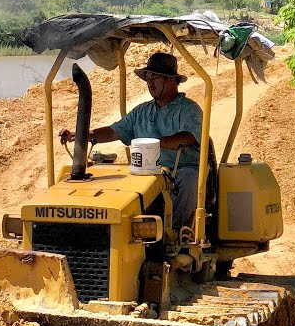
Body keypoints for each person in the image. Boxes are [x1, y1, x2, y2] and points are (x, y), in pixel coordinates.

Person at [60, 51, 207, 229]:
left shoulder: (189, 110)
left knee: (190, 178)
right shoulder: (142, 111)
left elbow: (189, 137)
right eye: (147, 77)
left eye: (155, 77)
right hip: (144, 172)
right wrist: (80, 135)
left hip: (179, 172)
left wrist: (153, 145)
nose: (149, 83)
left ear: (170, 80)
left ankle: (174, 233)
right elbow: (114, 132)